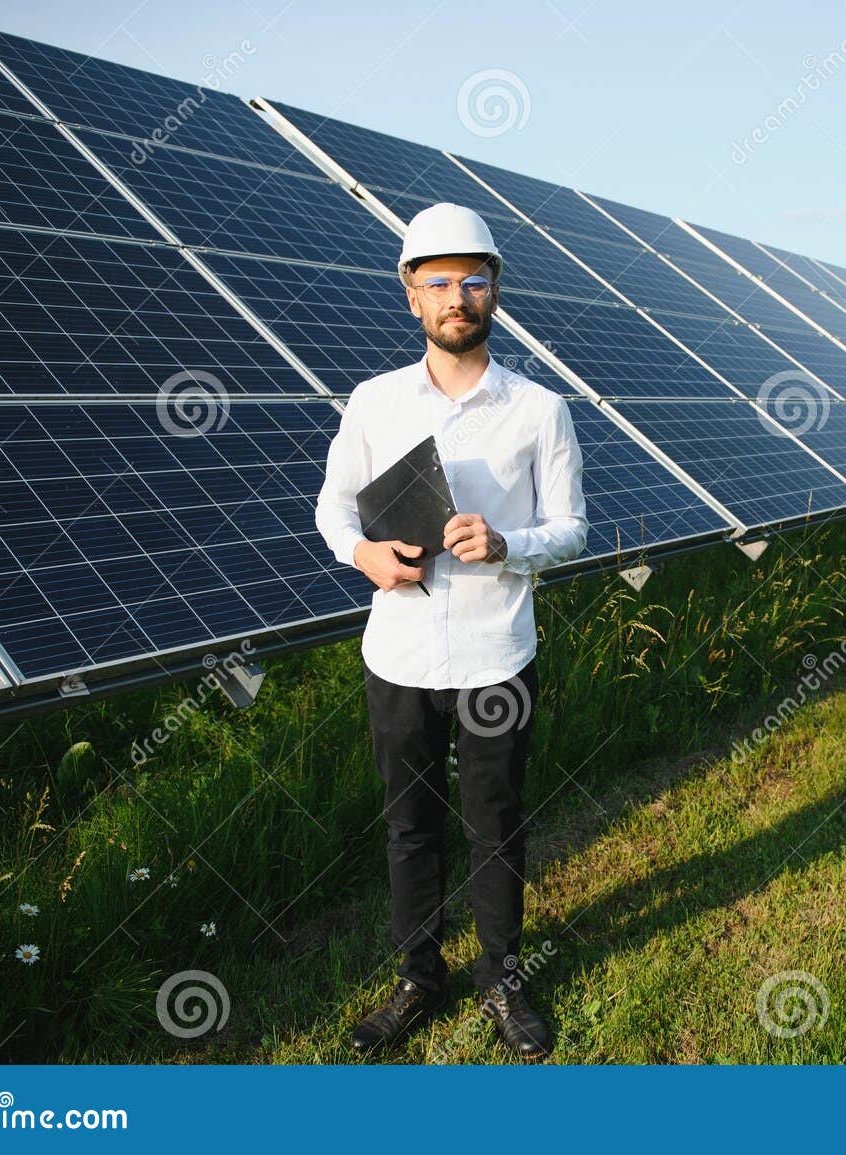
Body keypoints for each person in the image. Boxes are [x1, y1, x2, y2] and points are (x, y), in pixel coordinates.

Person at [314, 202, 588, 1060]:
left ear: (495, 291)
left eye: (474, 279)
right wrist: (363, 553)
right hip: (396, 653)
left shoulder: (541, 409)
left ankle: (503, 981)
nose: (457, 296)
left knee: (495, 821)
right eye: (439, 281)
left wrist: (510, 544)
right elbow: (330, 506)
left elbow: (573, 527)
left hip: (496, 649)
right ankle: (418, 979)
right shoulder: (373, 401)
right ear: (411, 295)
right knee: (408, 824)